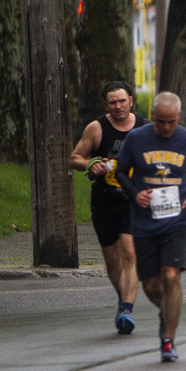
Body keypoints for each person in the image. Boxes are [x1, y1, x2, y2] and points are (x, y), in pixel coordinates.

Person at [115, 92, 186, 363]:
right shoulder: (137, 139)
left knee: (171, 274)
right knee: (150, 284)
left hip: (177, 219)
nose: (165, 127)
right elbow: (119, 172)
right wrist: (135, 193)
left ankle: (168, 339)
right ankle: (167, 311)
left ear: (179, 117)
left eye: (171, 122)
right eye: (160, 121)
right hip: (145, 220)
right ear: (154, 116)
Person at [71, 81, 147, 335]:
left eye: (122, 101)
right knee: (112, 258)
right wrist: (90, 163)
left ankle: (127, 308)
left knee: (130, 252)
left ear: (131, 101)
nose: (118, 106)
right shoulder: (96, 128)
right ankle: (122, 297)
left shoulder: (144, 128)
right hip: (104, 199)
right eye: (112, 102)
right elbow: (74, 158)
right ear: (105, 105)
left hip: (133, 199)